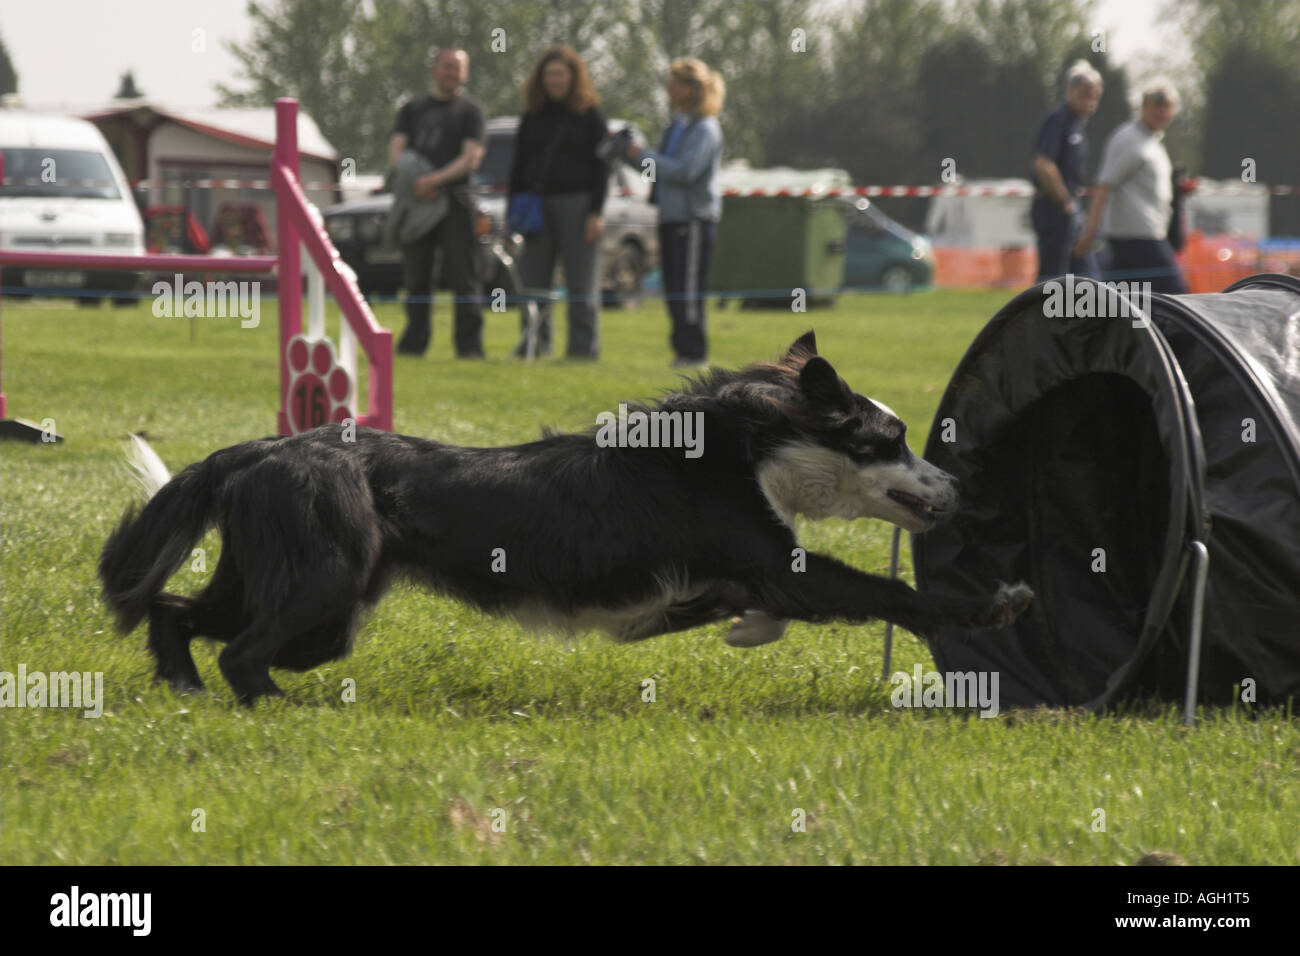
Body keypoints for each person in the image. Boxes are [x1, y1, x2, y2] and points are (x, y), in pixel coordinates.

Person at [507, 45, 609, 359]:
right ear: (541, 78)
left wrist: (595, 212)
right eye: (550, 74)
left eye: (561, 74)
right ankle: (535, 345)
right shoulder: (532, 116)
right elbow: (517, 166)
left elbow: (603, 167)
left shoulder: (590, 115)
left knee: (581, 282)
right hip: (537, 207)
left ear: (573, 77)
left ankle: (582, 350)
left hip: (578, 205)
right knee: (534, 281)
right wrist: (513, 211)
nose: (555, 80)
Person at [623, 58, 724, 367]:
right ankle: (682, 349)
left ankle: (695, 351)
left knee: (689, 287)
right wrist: (630, 155)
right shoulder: (675, 126)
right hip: (670, 216)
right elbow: (657, 172)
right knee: (674, 285)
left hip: (693, 219)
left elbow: (686, 171)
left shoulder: (705, 128)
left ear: (691, 88)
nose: (668, 90)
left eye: (674, 83)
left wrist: (645, 155)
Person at [388, 46, 487, 357]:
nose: (452, 73)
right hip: (417, 205)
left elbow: (471, 158)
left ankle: (469, 348)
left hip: (455, 204)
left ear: (465, 73)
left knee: (463, 278)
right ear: (434, 69)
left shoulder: (471, 111)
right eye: (447, 66)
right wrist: (413, 181)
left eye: (457, 68)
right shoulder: (412, 109)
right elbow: (396, 150)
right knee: (417, 278)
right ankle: (414, 344)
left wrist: (435, 181)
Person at [1073, 79, 1189, 294]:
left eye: (1166, 107)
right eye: (1156, 105)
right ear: (1144, 107)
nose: (1161, 112)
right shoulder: (1128, 139)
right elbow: (1104, 186)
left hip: (1146, 235)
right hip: (1136, 237)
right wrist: (1090, 232)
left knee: (1121, 307)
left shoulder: (1153, 142)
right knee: (1178, 298)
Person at [1031, 59, 1102, 280]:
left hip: (1071, 210)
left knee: (1087, 279)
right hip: (1054, 209)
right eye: (1085, 95)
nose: (1090, 102)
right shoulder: (1058, 119)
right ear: (1069, 92)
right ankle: (1037, 315)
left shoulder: (1077, 125)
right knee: (1052, 280)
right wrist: (1065, 203)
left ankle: (1092, 315)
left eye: (1095, 97)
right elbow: (1043, 164)